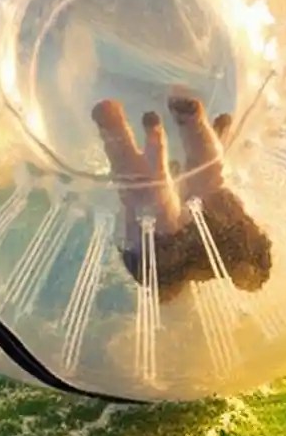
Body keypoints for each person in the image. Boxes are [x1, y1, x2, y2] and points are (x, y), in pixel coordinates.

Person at [91, 92, 272, 303]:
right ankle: (119, 137)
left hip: (179, 246)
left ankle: (188, 135)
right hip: (173, 247)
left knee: (200, 185)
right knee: (168, 200)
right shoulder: (187, 262)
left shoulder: (193, 259)